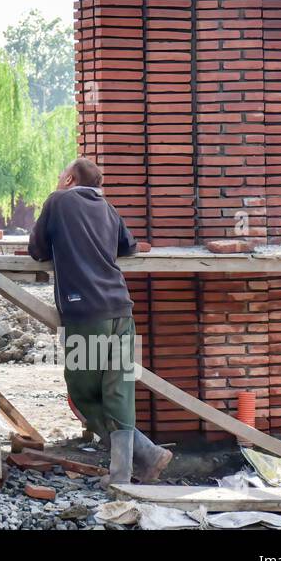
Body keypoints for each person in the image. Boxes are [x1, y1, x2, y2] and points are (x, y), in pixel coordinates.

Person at [27, 156, 173, 486]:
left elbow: (36, 250)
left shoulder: (58, 201)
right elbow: (129, 246)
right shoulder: (108, 208)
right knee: (119, 391)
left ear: (68, 181)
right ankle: (126, 472)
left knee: (82, 394)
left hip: (85, 315)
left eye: (61, 174)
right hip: (122, 310)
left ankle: (147, 454)